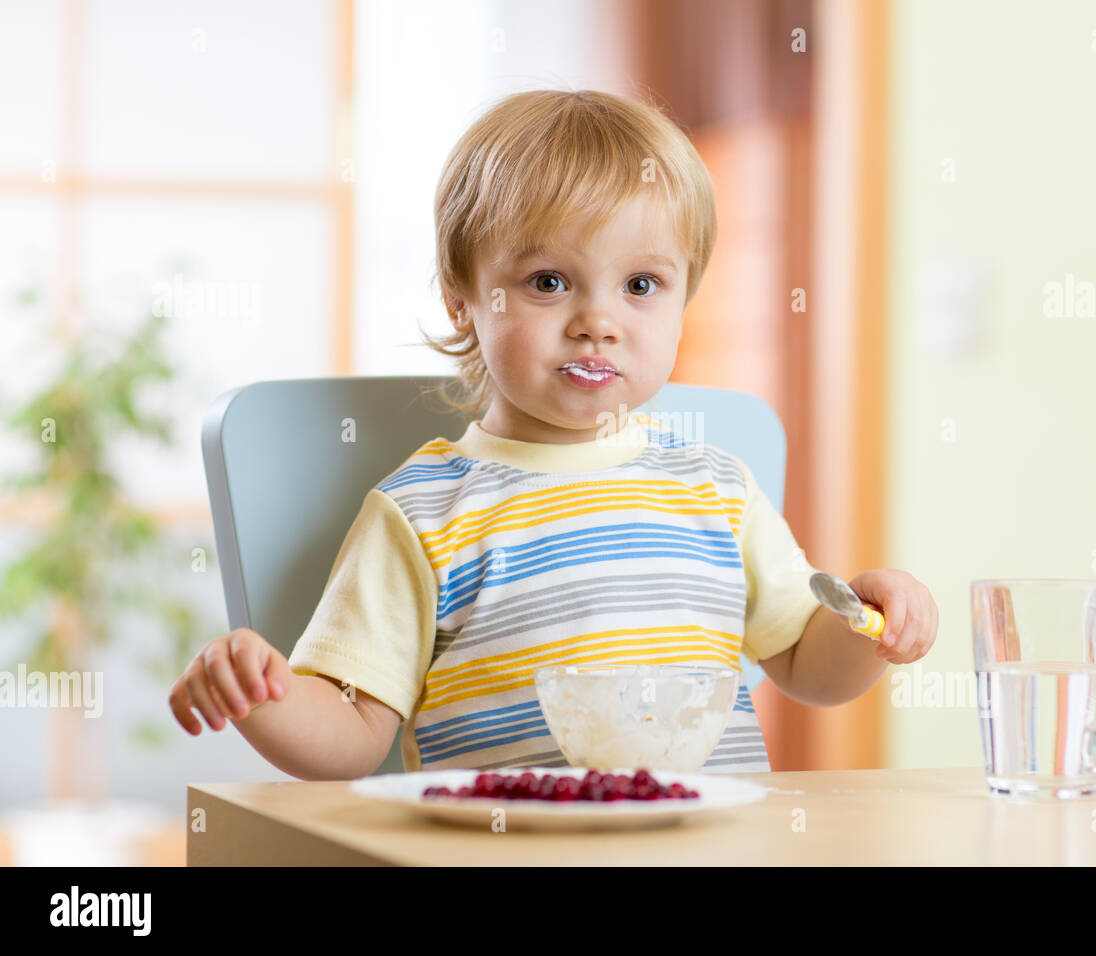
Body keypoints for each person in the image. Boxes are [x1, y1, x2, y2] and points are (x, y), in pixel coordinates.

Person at [168, 89, 938, 780]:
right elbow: (353, 736)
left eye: (641, 285)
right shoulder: (423, 512)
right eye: (548, 282)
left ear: (683, 300)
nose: (598, 322)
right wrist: (264, 695)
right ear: (463, 299)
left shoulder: (717, 486)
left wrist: (871, 630)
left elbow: (807, 663)